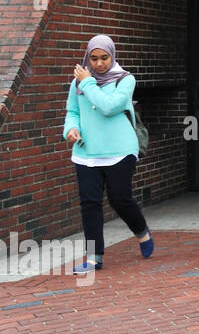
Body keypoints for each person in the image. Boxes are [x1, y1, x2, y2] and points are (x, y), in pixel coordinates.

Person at [62, 35, 154, 272]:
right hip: (86, 152)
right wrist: (71, 129)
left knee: (119, 198)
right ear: (87, 57)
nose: (99, 63)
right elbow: (73, 111)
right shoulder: (78, 83)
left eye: (104, 58)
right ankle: (94, 257)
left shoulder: (125, 79)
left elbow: (109, 107)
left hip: (120, 150)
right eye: (93, 58)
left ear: (113, 56)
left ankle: (142, 232)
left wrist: (88, 83)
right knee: (89, 203)